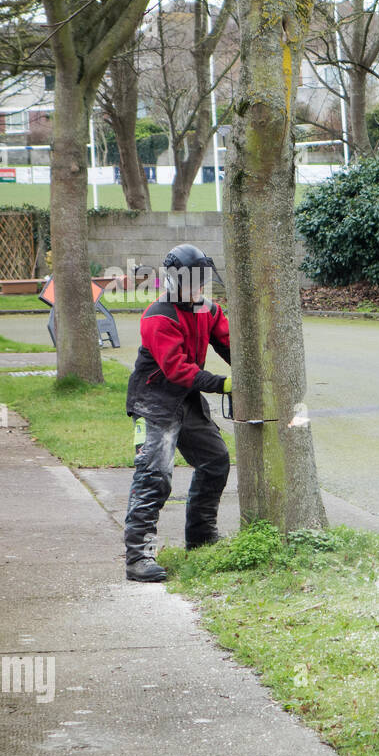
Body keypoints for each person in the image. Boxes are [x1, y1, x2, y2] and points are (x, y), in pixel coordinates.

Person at [123, 244, 233, 583]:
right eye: (191, 281)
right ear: (173, 280)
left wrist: (253, 368)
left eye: (201, 281)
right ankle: (138, 557)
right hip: (154, 402)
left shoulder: (207, 310)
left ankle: (201, 537)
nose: (197, 288)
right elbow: (177, 369)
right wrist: (222, 384)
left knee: (215, 461)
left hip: (186, 400)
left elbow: (229, 343)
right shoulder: (158, 316)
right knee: (155, 476)